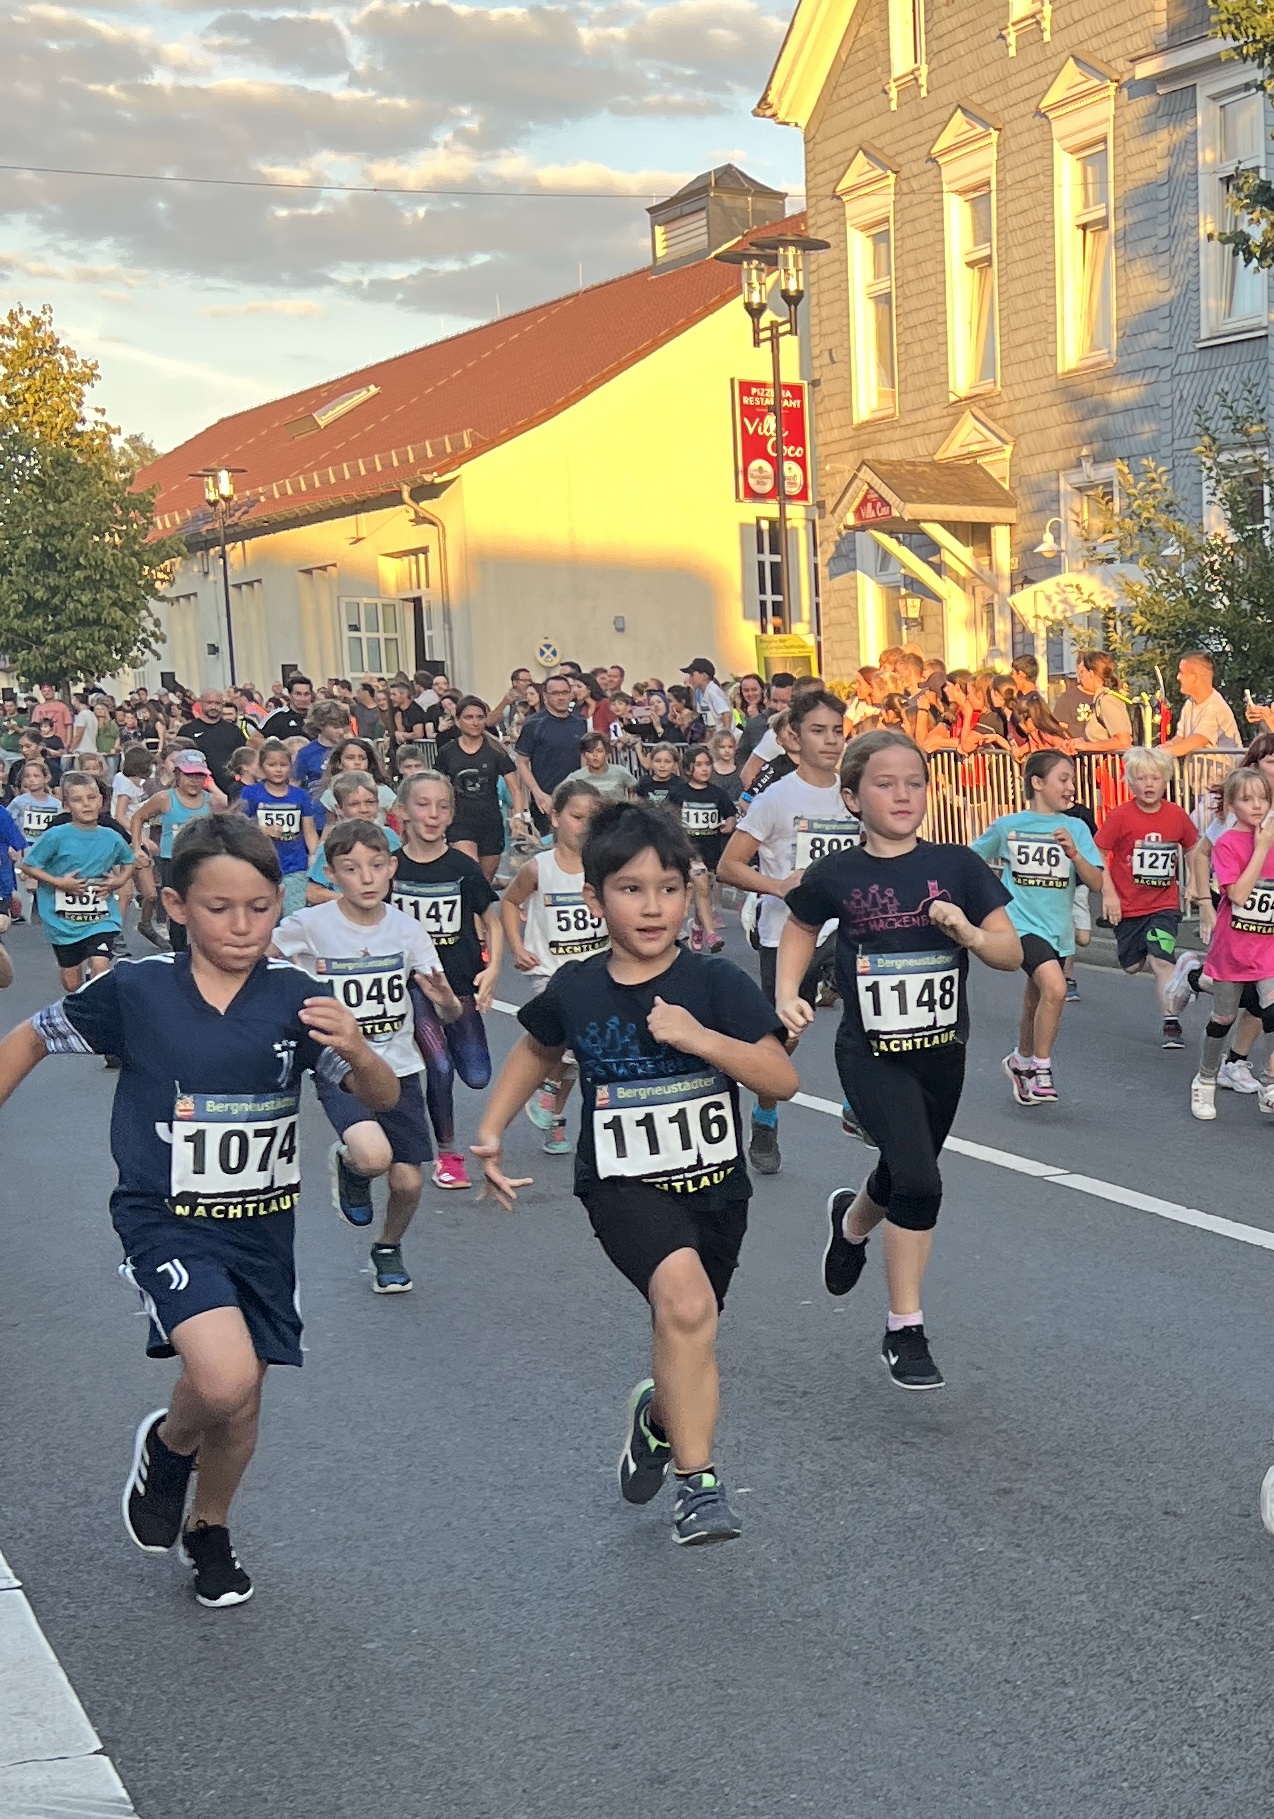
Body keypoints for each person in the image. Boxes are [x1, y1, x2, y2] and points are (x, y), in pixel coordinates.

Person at [0, 813, 399, 1607]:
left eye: (258, 907)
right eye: (221, 907)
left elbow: (377, 1097)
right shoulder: (138, 988)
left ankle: (209, 1528)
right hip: (165, 1216)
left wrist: (358, 1047)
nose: (243, 925)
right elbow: (32, 1036)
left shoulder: (296, 996)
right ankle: (169, 1440)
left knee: (245, 1396)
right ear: (178, 906)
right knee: (222, 1377)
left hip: (261, 1223)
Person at [473, 799, 798, 1545]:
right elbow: (536, 1048)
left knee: (692, 1325)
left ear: (688, 894)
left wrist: (701, 1037)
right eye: (630, 888)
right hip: (622, 1185)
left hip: (716, 1187)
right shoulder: (580, 987)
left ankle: (657, 1420)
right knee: (684, 1306)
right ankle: (700, 1486)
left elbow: (778, 1079)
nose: (652, 906)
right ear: (594, 898)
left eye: (668, 888)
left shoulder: (714, 982)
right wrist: (491, 1129)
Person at [776, 730, 1019, 1389]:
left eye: (914, 780)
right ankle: (904, 1327)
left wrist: (968, 931)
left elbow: (1009, 951)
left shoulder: (959, 864)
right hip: (871, 1052)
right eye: (886, 783)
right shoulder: (837, 874)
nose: (904, 793)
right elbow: (799, 925)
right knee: (921, 1179)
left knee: (906, 1169)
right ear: (852, 797)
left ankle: (849, 1224)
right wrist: (786, 993)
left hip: (944, 1052)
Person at [272, 818, 460, 1291]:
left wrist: (447, 1002)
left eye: (377, 866)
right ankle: (355, 1167)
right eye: (352, 869)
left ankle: (388, 1246)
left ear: (392, 868)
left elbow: (450, 1011)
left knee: (409, 1184)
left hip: (400, 1066)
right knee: (374, 1157)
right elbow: (261, 959)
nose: (368, 877)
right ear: (332, 874)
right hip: (340, 1066)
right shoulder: (309, 926)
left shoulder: (407, 930)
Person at [716, 690, 855, 1174]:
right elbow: (728, 866)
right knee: (784, 1037)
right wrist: (779, 885)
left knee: (871, 1008)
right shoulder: (777, 798)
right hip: (787, 931)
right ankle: (765, 1113)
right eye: (819, 731)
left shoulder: (856, 793)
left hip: (846, 928)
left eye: (838, 730)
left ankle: (862, 1099)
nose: (832, 741)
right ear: (794, 736)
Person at [971, 751, 1106, 1107]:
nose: (1070, 787)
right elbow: (971, 859)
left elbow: (1096, 882)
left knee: (1036, 998)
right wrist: (988, 896)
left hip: (1056, 928)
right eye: (1063, 779)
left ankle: (1020, 1060)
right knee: (1056, 988)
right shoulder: (1008, 826)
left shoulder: (1076, 827)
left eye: (1072, 780)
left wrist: (1075, 855)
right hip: (1019, 922)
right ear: (1037, 783)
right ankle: (1041, 1069)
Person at [391, 772, 503, 1189]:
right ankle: (448, 1155)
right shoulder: (391, 867)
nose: (433, 814)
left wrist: (492, 970)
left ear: (451, 814)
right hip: (413, 987)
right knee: (438, 1066)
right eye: (423, 804)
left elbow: (491, 921)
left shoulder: (463, 868)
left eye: (442, 806)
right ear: (402, 811)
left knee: (475, 1075)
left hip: (459, 982)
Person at [500, 779, 606, 1153]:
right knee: (574, 1040)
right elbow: (510, 903)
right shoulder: (538, 868)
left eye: (592, 818)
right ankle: (544, 1092)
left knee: (584, 1047)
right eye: (577, 816)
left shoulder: (606, 865)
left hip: (597, 969)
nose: (584, 825)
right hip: (551, 970)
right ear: (555, 817)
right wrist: (516, 946)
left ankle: (553, 1110)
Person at [1095, 746, 1201, 1047]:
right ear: (1131, 783)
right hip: (1127, 905)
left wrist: (1193, 881)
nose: (1149, 784)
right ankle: (1156, 962)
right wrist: (1109, 894)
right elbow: (1100, 853)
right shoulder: (1120, 816)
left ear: (1166, 780)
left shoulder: (1176, 815)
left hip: (1164, 905)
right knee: (1131, 966)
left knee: (1160, 960)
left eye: (1155, 778)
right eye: (1141, 778)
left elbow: (1194, 847)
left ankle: (1171, 1022)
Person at [1189, 766, 1274, 1120]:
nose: (1257, 805)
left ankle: (1270, 1085)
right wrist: (1260, 848)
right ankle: (1205, 1080)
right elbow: (1239, 894)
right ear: (1230, 805)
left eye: (1263, 798)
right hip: (1233, 948)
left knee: (1272, 1011)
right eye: (1247, 799)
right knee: (1223, 1017)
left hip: (1267, 949)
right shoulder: (1227, 844)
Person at [17, 769, 135, 990]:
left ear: (101, 800)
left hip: (101, 915)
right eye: (78, 800)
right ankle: (84, 997)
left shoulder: (111, 836)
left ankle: (97, 1000)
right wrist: (59, 882)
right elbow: (28, 865)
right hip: (62, 919)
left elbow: (130, 860)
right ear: (66, 804)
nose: (86, 805)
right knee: (72, 985)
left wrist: (119, 881)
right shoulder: (56, 835)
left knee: (101, 966)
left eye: (91, 798)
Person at [129, 753, 226, 954]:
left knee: (203, 906)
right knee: (177, 908)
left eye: (199, 776)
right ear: (178, 775)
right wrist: (138, 847)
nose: (194, 781)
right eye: (189, 776)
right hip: (172, 861)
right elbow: (138, 817)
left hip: (201, 862)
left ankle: (203, 950)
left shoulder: (211, 801)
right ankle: (179, 953)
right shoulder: (165, 799)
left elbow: (226, 823)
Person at [433, 695, 524, 879]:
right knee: (470, 869)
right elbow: (438, 787)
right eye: (469, 717)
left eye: (479, 717)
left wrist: (519, 817)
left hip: (490, 822)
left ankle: (479, 908)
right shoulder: (447, 752)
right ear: (458, 721)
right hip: (460, 822)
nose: (475, 722)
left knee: (485, 880)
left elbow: (515, 788)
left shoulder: (496, 752)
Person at [236, 739, 319, 915]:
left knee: (293, 915)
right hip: (260, 865)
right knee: (264, 916)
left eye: (283, 764)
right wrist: (261, 829)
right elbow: (238, 825)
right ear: (261, 767)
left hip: (295, 867)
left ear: (291, 766)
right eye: (272, 764)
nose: (278, 769)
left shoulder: (300, 796)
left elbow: (309, 831)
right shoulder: (251, 793)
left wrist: (315, 857)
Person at [667, 744, 736, 952]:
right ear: (688, 769)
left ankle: (696, 925)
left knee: (704, 890)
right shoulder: (678, 793)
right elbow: (666, 818)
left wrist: (728, 825)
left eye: (707, 764)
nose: (704, 769)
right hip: (687, 850)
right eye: (699, 765)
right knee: (701, 885)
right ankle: (711, 934)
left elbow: (731, 816)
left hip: (711, 850)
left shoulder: (717, 794)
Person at [305, 773, 403, 903]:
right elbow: (313, 893)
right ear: (339, 809)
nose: (364, 809)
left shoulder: (390, 837)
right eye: (354, 804)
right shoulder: (332, 844)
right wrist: (353, 900)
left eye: (370, 802)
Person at [514, 674, 588, 833]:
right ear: (545, 697)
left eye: (565, 692)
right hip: (546, 800)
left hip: (575, 796)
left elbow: (584, 759)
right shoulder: (534, 724)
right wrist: (537, 793)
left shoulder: (580, 723)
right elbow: (521, 762)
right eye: (555, 693)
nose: (561, 697)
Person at [1165, 651, 1241, 757]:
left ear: (1195, 677)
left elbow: (1198, 740)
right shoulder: (1189, 704)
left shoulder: (1215, 707)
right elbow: (1180, 737)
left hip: (1223, 773)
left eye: (1182, 672)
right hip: (1199, 773)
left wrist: (1159, 755)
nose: (1178, 677)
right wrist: (1169, 744)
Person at [173, 689, 248, 796]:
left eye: (217, 703)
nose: (213, 706)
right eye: (209, 703)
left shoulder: (233, 731)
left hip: (231, 791)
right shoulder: (187, 731)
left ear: (222, 705)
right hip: (197, 791)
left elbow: (243, 759)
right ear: (200, 704)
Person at [292, 701, 354, 793]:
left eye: (343, 726)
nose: (341, 731)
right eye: (335, 726)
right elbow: (296, 784)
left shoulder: (352, 749)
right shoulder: (306, 754)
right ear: (321, 725)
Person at [563, 731, 637, 803]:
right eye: (590, 751)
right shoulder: (576, 778)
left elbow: (639, 790)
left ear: (607, 753)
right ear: (584, 755)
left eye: (599, 751)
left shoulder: (620, 772)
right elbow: (558, 795)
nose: (595, 756)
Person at [681, 659, 733, 731]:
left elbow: (726, 713)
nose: (690, 678)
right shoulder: (705, 692)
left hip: (729, 735)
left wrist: (727, 735)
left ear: (705, 676)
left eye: (692, 675)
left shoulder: (713, 691)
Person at [260, 675, 315, 742]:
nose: (302, 699)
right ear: (290, 695)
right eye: (298, 694)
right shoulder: (278, 716)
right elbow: (256, 739)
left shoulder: (318, 717)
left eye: (306, 694)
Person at [30, 682, 72, 750]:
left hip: (61, 744)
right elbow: (35, 728)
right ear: (41, 692)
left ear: (53, 691)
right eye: (44, 691)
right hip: (43, 745)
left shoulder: (62, 707)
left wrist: (68, 742)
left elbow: (69, 725)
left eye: (49, 690)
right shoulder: (38, 708)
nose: (47, 693)